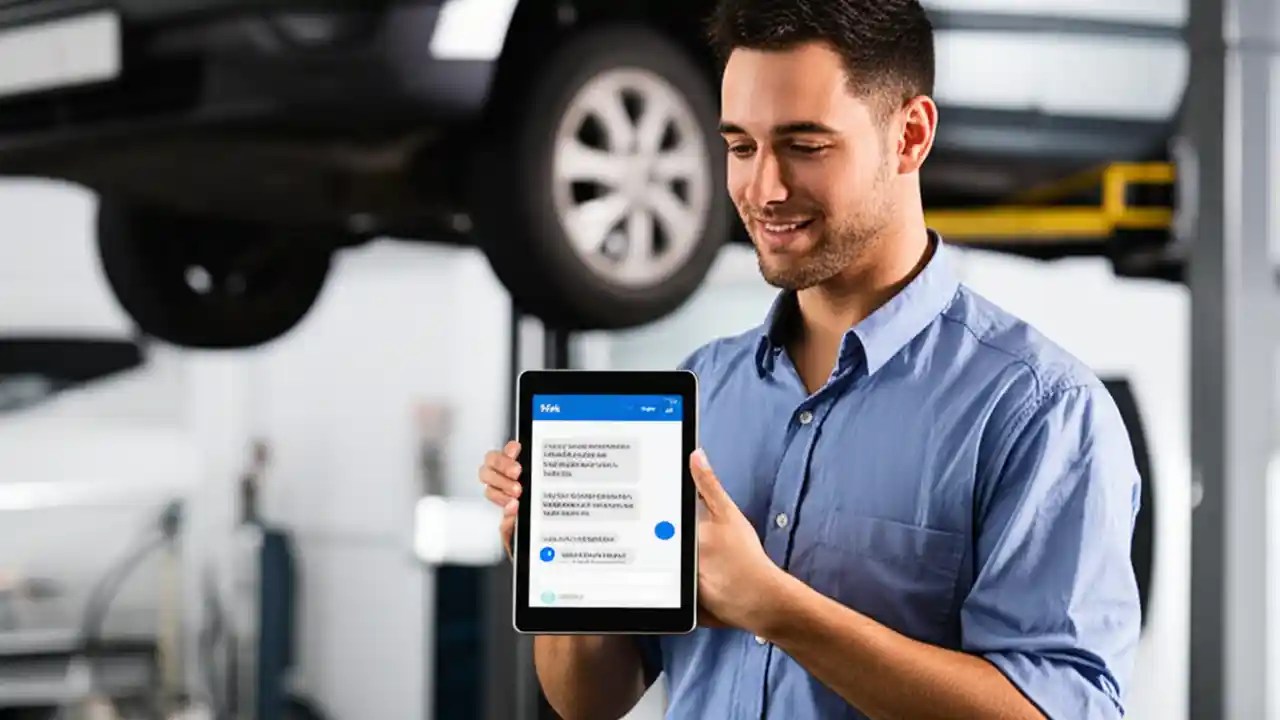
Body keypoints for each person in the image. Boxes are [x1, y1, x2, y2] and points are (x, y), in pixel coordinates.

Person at [479, 0, 1142, 717]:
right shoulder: (701, 387)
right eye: (740, 147)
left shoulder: (1038, 410)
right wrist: (566, 570)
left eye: (805, 145)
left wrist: (776, 607)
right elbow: (591, 702)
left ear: (910, 136)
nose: (763, 189)